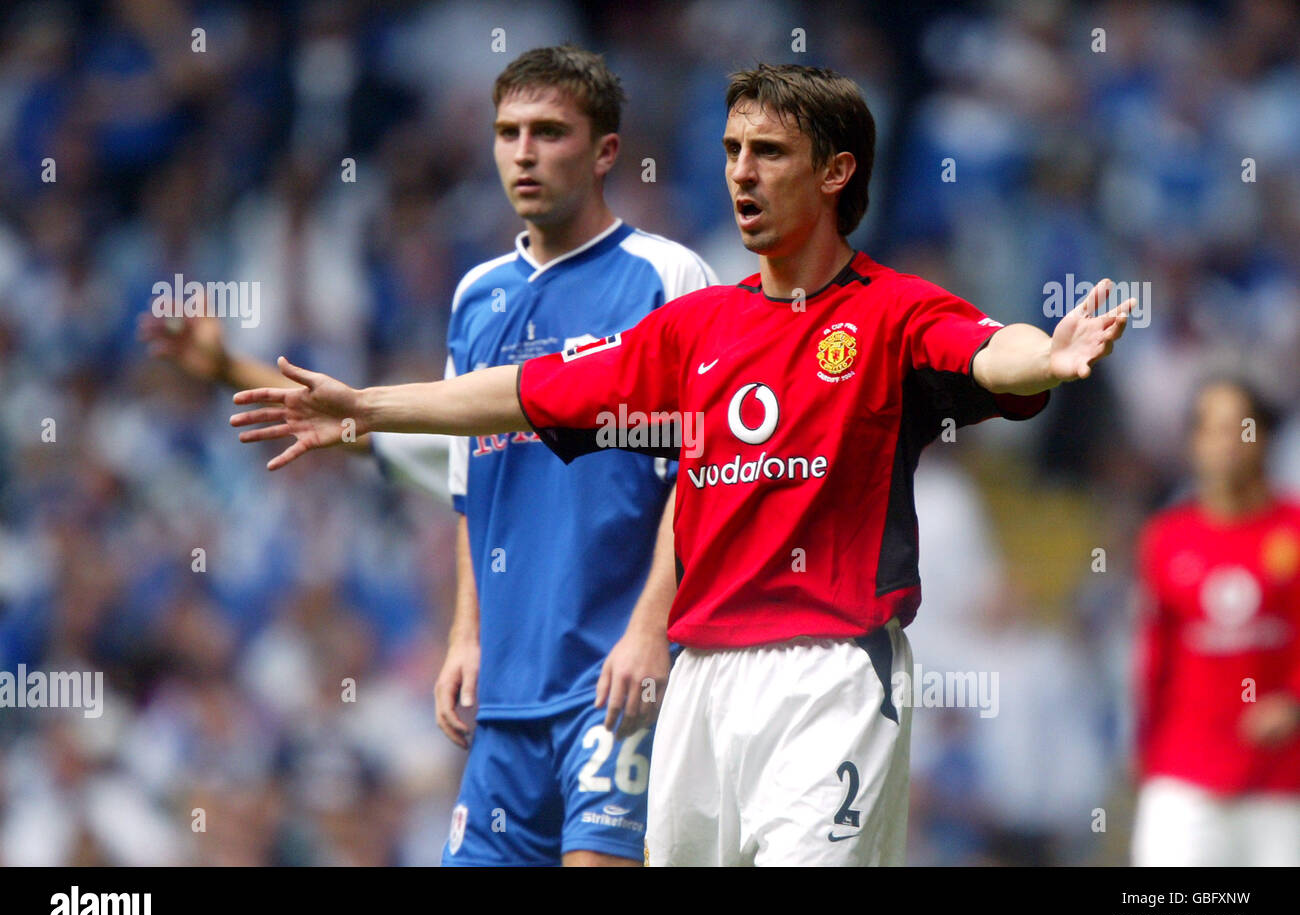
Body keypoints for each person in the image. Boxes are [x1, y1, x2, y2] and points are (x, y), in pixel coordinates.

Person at [229, 63, 1131, 866]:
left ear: (836, 171)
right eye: (733, 147)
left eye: (769, 151)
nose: (740, 170)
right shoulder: (697, 328)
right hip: (701, 682)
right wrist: (364, 406)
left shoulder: (892, 312)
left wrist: (1046, 354)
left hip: (830, 673)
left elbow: (986, 351)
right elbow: (523, 393)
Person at [146, 45, 717, 867]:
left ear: (604, 152)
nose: (523, 152)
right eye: (508, 132)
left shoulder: (665, 276)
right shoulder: (477, 296)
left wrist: (649, 630)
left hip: (612, 683)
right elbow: (460, 477)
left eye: (549, 132)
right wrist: (464, 638)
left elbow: (702, 468)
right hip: (509, 700)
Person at [1131, 377, 1300, 866]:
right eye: (1212, 429)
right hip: (1183, 776)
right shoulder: (1166, 539)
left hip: (1281, 782)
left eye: (1238, 428)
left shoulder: (1292, 531)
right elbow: (1153, 651)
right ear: (1193, 443)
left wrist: (1292, 702)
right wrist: (1142, 744)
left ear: (1264, 436)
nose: (1226, 442)